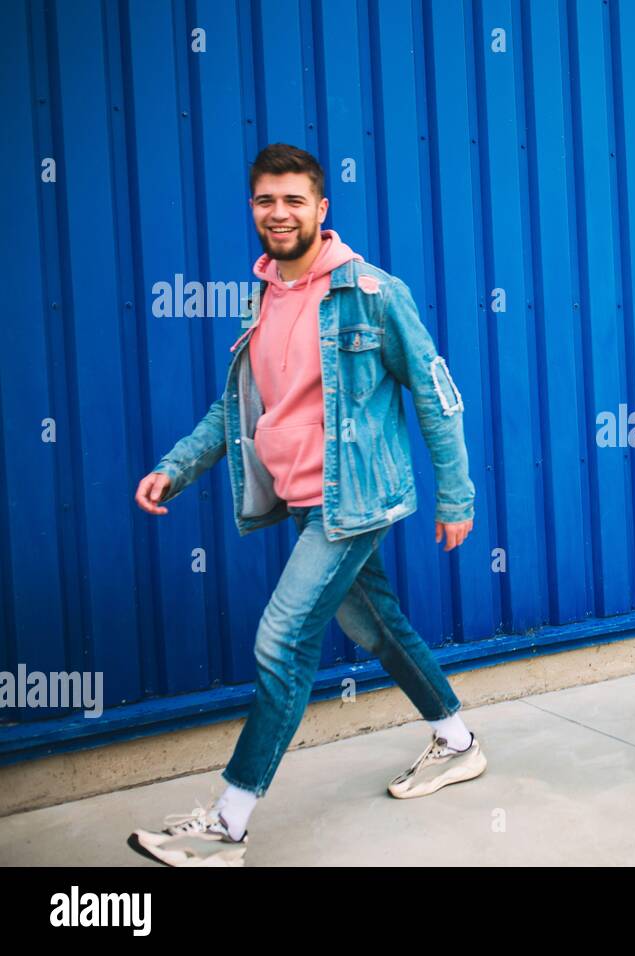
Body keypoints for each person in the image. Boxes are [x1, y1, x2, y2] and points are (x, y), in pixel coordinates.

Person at [128, 144, 482, 865]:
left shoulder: (372, 292)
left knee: (281, 642)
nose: (279, 213)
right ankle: (457, 741)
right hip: (299, 498)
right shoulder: (266, 296)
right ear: (253, 210)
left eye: (294, 200)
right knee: (377, 627)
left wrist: (456, 496)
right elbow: (235, 410)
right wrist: (175, 468)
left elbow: (438, 397)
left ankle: (228, 827)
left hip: (352, 501)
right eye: (266, 200)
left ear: (323, 209)